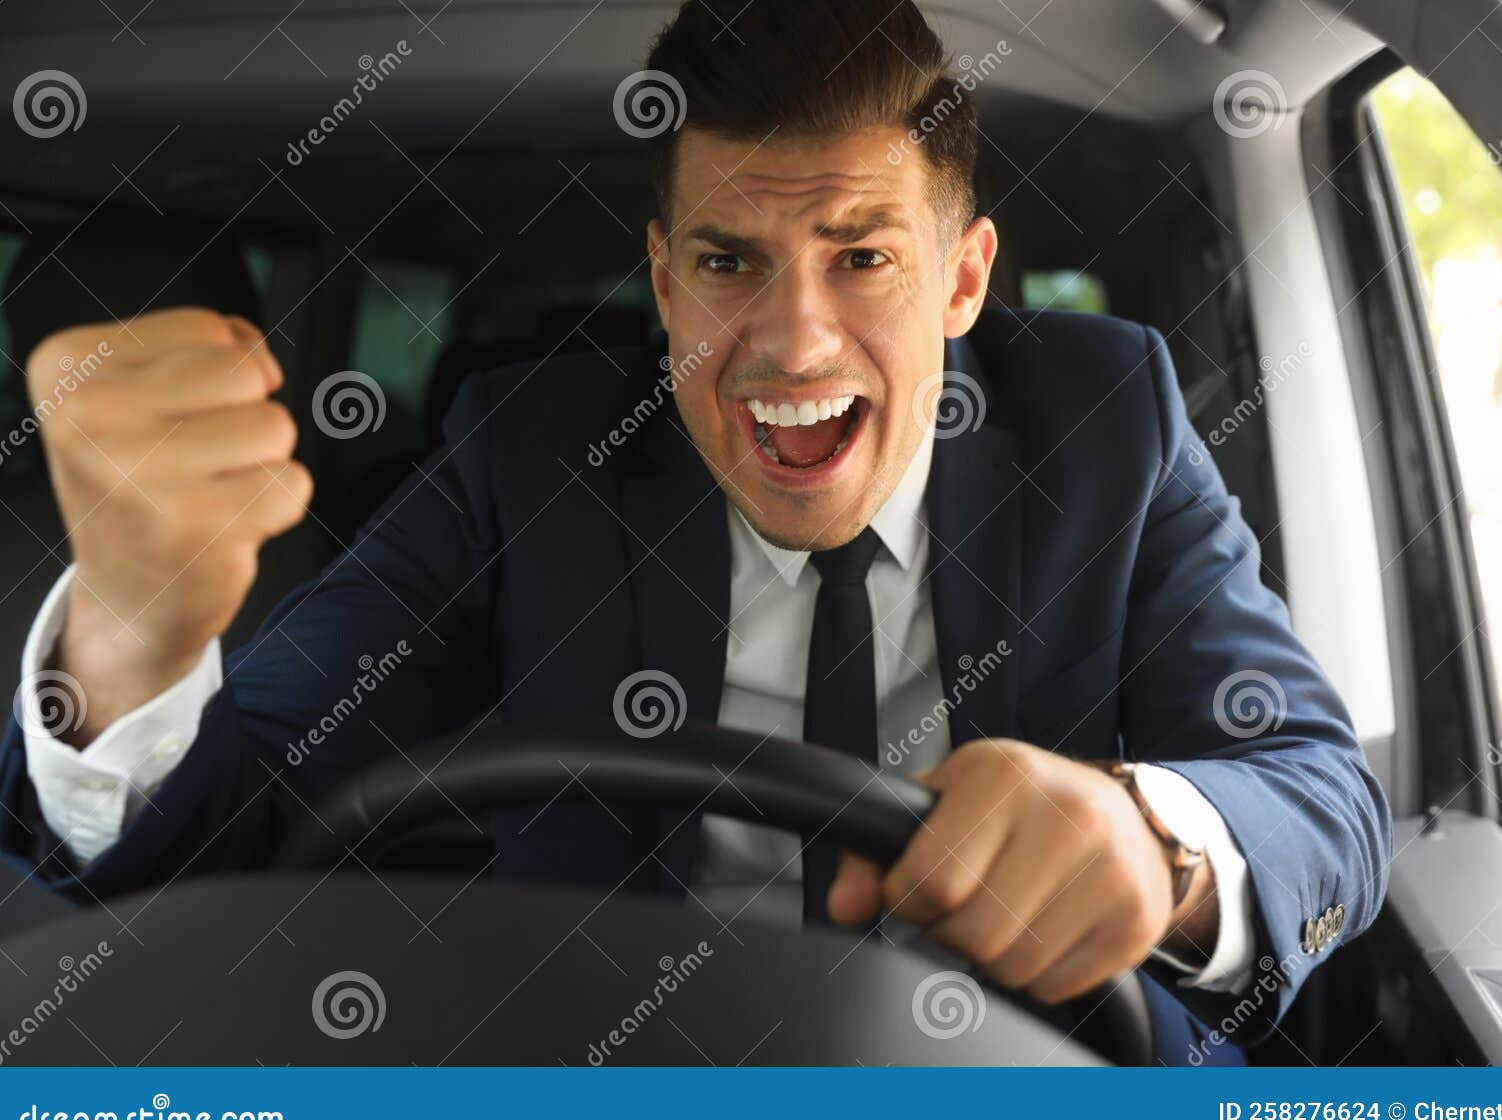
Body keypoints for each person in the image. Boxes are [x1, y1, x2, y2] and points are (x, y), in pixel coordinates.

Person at [0, 0, 1390, 1065]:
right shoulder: (529, 456)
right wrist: (132, 628)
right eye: (731, 260)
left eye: (862, 255)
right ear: (666, 282)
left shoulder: (1109, 423)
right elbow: (225, 837)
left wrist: (1155, 846)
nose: (791, 339)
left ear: (963, 277)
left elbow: (1323, 797)